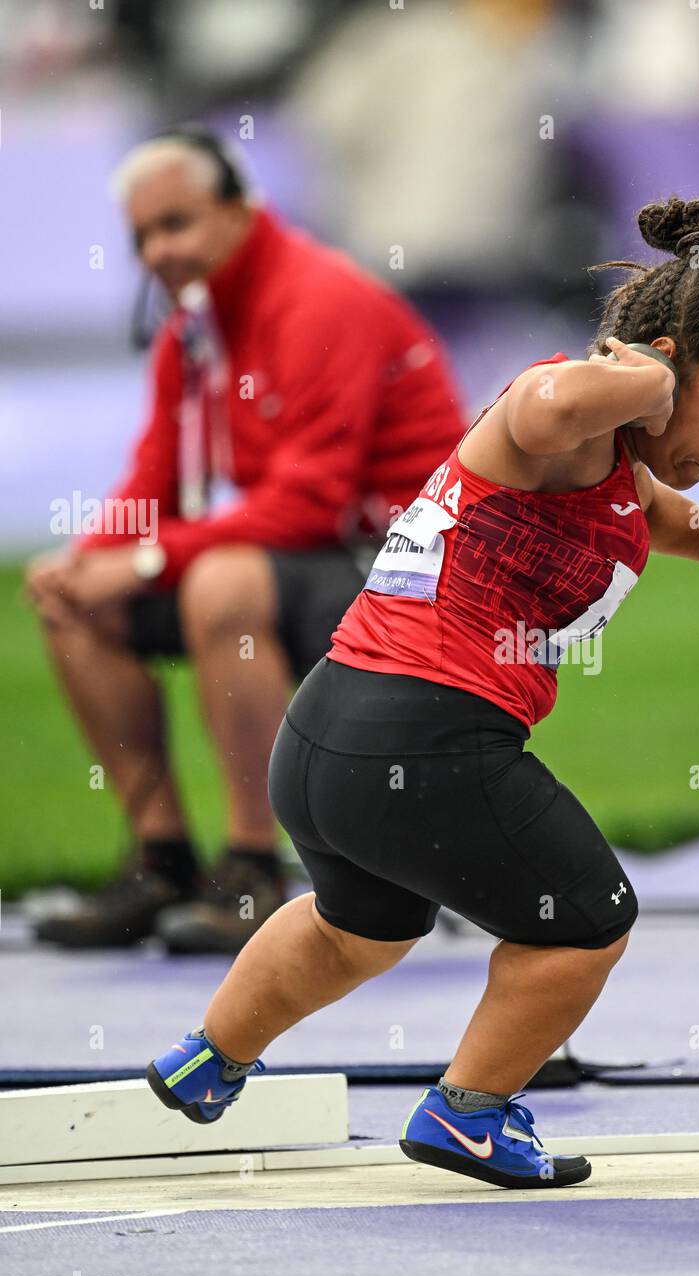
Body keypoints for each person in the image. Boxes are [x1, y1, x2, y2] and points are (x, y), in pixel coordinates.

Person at [146, 196, 699, 1189]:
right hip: (422, 738)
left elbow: (672, 519)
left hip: (327, 738)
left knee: (359, 928)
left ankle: (208, 1058)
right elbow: (544, 404)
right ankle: (467, 1112)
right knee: (586, 918)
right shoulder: (563, 415)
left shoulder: (612, 470)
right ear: (657, 360)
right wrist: (646, 373)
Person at [24, 127, 465, 954]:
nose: (157, 250)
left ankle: (254, 869)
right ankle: (162, 863)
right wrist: (85, 560)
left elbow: (307, 502)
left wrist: (147, 559)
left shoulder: (318, 299)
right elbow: (152, 477)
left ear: (237, 212)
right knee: (72, 604)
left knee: (220, 583)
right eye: (142, 235)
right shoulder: (194, 327)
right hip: (316, 557)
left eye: (176, 224)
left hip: (413, 572)